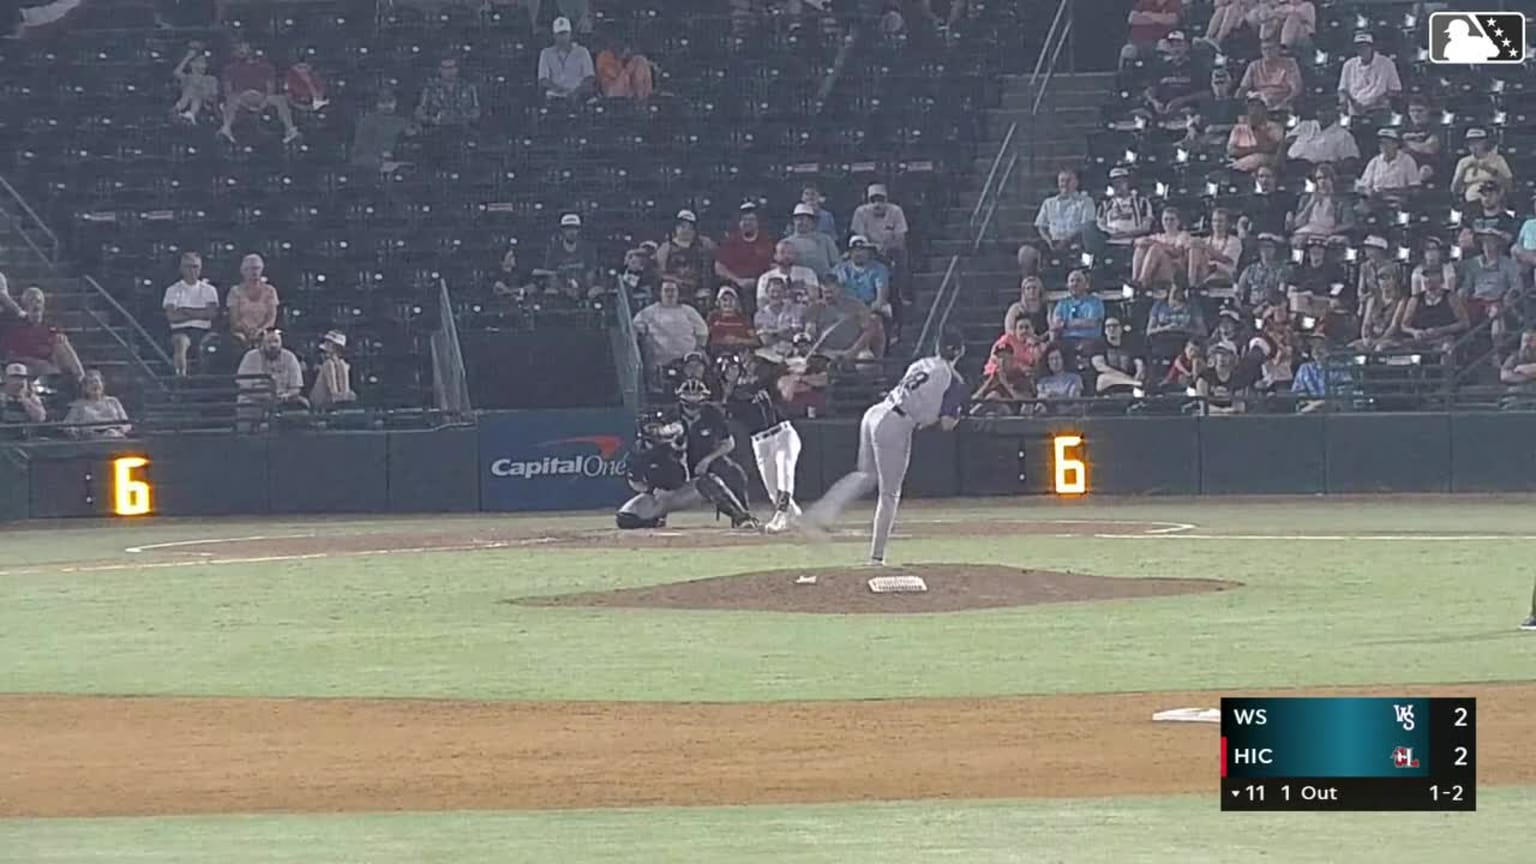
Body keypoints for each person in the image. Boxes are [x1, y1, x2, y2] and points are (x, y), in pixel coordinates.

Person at [799, 329, 968, 565]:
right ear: (960, 352)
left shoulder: (922, 363)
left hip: (877, 411)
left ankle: (822, 512)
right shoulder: (954, 379)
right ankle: (876, 558)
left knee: (865, 475)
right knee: (889, 495)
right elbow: (948, 424)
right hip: (897, 423)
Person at [720, 351, 802, 532]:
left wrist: (791, 366)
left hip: (782, 434)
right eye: (727, 369)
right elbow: (732, 403)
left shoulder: (756, 383)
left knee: (784, 473)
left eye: (734, 367)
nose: (731, 372)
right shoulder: (731, 398)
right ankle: (794, 516)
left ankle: (781, 517)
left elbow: (773, 374)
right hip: (759, 442)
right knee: (773, 491)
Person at [677, 378, 758, 529]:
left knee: (734, 473)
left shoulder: (713, 414)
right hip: (675, 462)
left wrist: (707, 460)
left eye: (696, 404)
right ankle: (656, 514)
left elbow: (729, 443)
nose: (692, 410)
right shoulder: (671, 416)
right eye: (688, 403)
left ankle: (741, 514)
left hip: (705, 458)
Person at [218, 41, 300, 143]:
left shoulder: (267, 67)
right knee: (231, 99)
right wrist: (243, 102)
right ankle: (226, 128)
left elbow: (270, 89)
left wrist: (263, 102)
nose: (240, 50)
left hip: (261, 97)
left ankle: (290, 129)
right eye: (238, 48)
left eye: (243, 47)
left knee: (280, 99)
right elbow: (228, 91)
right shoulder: (229, 69)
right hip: (240, 98)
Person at [163, 251, 219, 376]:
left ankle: (204, 379)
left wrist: (185, 310)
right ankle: (180, 378)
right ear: (182, 268)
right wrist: (200, 313)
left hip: (204, 331)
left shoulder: (209, 290)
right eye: (188, 267)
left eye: (195, 267)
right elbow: (172, 316)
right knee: (181, 343)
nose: (192, 270)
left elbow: (211, 314)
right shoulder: (173, 290)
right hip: (180, 331)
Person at [1088, 166, 1154, 257]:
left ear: (1127, 182)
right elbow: (1100, 225)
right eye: (1114, 183)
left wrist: (1126, 234)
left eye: (1120, 182)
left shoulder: (1142, 202)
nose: (1117, 186)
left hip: (1135, 242)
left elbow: (1146, 227)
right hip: (1111, 243)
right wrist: (1111, 232)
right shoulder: (1105, 204)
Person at [715, 202, 776, 297]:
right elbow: (719, 267)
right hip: (735, 286)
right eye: (744, 220)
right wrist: (738, 280)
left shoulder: (767, 241)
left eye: (751, 219)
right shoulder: (730, 242)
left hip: (763, 287)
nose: (748, 223)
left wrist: (762, 281)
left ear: (757, 222)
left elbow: (774, 266)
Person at [236, 328, 306, 408]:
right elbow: (244, 387)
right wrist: (266, 397)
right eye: (269, 342)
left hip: (284, 400)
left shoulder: (290, 357)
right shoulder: (250, 357)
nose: (273, 345)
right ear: (262, 344)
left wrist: (286, 396)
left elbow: (296, 388)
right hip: (254, 400)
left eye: (276, 341)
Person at [1399, 272, 1469, 352]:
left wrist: (1441, 330)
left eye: (1432, 275)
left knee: (1446, 348)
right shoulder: (1415, 299)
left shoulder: (1451, 297)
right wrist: (1414, 332)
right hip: (1421, 340)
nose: (1428, 279)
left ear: (1441, 279)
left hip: (1444, 339)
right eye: (1426, 276)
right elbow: (1404, 325)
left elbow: (1464, 323)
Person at [1337, 32, 1400, 118]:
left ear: (1372, 47)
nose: (1362, 49)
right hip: (1355, 111)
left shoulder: (1387, 63)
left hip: (1379, 110)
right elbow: (1342, 89)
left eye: (1365, 46)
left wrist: (1374, 103)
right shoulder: (1349, 65)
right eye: (1359, 47)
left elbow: (1395, 89)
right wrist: (1349, 103)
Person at [656, 209, 717, 296]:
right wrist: (678, 281)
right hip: (675, 291)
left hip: (700, 291)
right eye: (683, 226)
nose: (686, 230)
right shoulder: (666, 248)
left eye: (690, 227)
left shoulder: (704, 246)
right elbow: (661, 273)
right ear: (676, 228)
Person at [350, 90, 414, 171]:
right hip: (373, 165)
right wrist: (379, 159)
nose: (387, 105)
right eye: (383, 102)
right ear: (377, 104)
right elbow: (358, 153)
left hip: (399, 165)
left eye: (390, 101)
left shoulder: (402, 122)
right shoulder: (367, 122)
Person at [225, 254, 278, 350]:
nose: (255, 272)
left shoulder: (270, 291)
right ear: (243, 271)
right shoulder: (235, 291)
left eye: (257, 268)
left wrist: (260, 330)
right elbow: (234, 320)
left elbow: (271, 318)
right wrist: (249, 330)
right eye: (251, 269)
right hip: (241, 332)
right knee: (238, 340)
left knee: (272, 340)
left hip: (264, 331)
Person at [1131, 207, 1193, 288]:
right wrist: (1139, 241)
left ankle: (1143, 280)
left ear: (1178, 222)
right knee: (1140, 248)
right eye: (1165, 219)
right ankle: (1135, 280)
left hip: (1175, 269)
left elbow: (1177, 252)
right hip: (1158, 267)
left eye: (1172, 219)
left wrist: (1157, 245)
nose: (1168, 222)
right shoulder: (1159, 236)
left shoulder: (1182, 235)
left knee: (1155, 248)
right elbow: (1137, 241)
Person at [834, 236, 892, 321]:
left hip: (871, 309)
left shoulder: (879, 269)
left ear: (869, 252)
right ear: (849, 252)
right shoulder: (839, 269)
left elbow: (881, 298)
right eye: (855, 250)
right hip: (844, 311)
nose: (858, 254)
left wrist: (865, 311)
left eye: (862, 250)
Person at [538, 17, 596, 102]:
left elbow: (589, 77)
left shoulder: (582, 51)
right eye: (559, 34)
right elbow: (543, 79)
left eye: (565, 33)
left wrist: (576, 92)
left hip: (579, 95)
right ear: (554, 35)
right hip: (555, 96)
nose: (562, 37)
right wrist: (560, 90)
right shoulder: (546, 53)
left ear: (570, 34)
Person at [1051, 269, 1106, 356]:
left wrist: (1066, 324)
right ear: (1067, 285)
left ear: (1086, 285)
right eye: (1071, 281)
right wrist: (1078, 323)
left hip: (1089, 340)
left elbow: (1092, 323)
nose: (1074, 284)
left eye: (1078, 280)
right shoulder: (1062, 303)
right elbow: (1056, 324)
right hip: (1067, 340)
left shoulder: (1095, 302)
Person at [415, 55, 481, 127]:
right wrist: (432, 120)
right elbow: (420, 113)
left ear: (457, 69)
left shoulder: (468, 87)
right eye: (446, 68)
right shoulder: (430, 89)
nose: (449, 71)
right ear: (440, 69)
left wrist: (466, 118)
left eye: (452, 68)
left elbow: (476, 110)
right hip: (437, 130)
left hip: (463, 130)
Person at [1146, 282, 1207, 359]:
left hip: (1185, 343)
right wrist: (1166, 328)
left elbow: (1203, 332)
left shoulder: (1192, 306)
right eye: (1173, 291)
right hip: (1163, 341)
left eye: (1179, 291)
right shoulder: (1159, 306)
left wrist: (1184, 329)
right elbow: (1149, 331)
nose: (1175, 294)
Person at [62, 369, 131, 438]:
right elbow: (68, 425)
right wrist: (78, 434)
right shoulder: (79, 405)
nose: (95, 384)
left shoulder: (113, 401)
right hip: (90, 440)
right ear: (85, 388)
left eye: (97, 381)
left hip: (114, 437)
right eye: (91, 382)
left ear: (102, 384)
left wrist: (119, 431)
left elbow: (126, 423)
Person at [1239, 38, 1301, 112]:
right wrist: (1239, 101)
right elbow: (1244, 87)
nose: (1267, 52)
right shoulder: (1254, 65)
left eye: (1271, 49)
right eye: (1264, 49)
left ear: (1278, 50)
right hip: (1259, 102)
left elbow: (1296, 88)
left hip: (1282, 100)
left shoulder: (1289, 64)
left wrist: (1286, 101)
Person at [1091, 317, 1146, 395]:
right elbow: (1100, 367)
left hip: (1130, 381)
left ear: (1121, 328)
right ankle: (1133, 383)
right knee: (1102, 378)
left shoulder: (1131, 345)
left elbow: (1139, 364)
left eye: (1115, 326)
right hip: (1110, 382)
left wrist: (1139, 372)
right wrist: (1126, 378)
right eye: (1108, 326)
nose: (1111, 328)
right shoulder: (1099, 345)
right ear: (1105, 330)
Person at [784, 202, 840, 278]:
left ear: (813, 222)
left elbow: (836, 264)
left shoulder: (825, 240)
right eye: (799, 219)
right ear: (793, 221)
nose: (802, 222)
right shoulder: (786, 243)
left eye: (806, 219)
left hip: (823, 283)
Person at [595, 36, 655, 100]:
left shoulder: (636, 60)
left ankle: (641, 100)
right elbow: (613, 85)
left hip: (633, 95)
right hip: (612, 94)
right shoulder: (604, 57)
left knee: (640, 61)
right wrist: (627, 65)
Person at [171, 41, 218, 124]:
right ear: (192, 64)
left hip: (203, 101)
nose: (202, 65)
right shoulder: (188, 77)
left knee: (197, 94)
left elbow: (213, 96)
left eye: (204, 62)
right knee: (191, 89)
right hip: (187, 99)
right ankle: (180, 108)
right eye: (199, 62)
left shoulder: (211, 79)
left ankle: (190, 114)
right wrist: (188, 57)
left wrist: (210, 103)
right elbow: (176, 73)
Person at [309, 330, 356, 410]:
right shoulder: (319, 358)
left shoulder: (342, 363)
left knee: (341, 364)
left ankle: (343, 396)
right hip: (320, 394)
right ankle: (336, 395)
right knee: (329, 364)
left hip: (338, 395)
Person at [706, 286, 757, 353]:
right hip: (717, 352)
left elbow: (755, 341)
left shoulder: (744, 318)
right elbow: (706, 337)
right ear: (718, 303)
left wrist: (738, 340)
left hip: (740, 352)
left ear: (737, 302)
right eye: (724, 300)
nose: (728, 303)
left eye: (731, 300)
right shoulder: (713, 317)